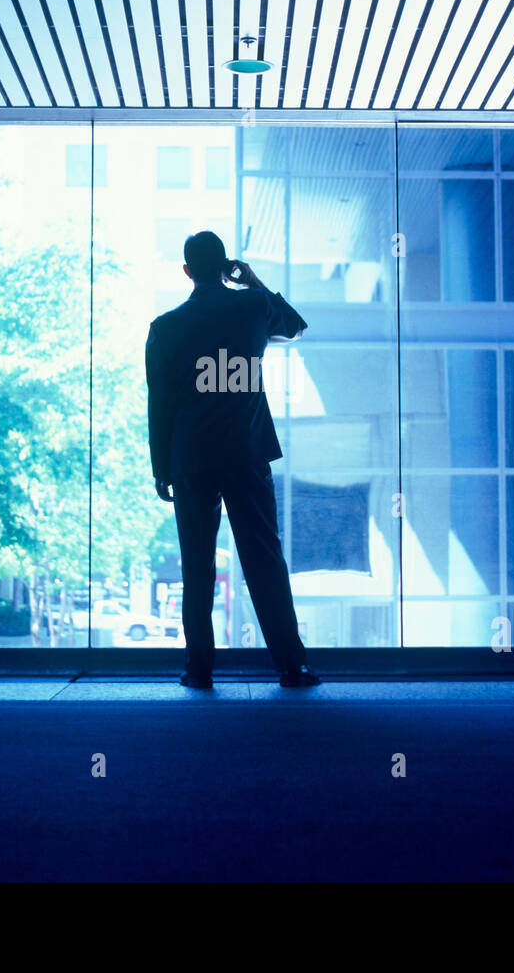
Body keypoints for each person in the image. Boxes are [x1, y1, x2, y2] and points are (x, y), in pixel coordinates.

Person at [145, 231, 321, 690]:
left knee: (197, 565)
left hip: (191, 458)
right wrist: (253, 282)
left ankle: (198, 668)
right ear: (225, 265)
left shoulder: (164, 328)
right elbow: (295, 326)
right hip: (245, 452)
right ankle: (292, 666)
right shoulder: (252, 307)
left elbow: (159, 405)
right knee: (264, 559)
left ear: (187, 271)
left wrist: (161, 469)